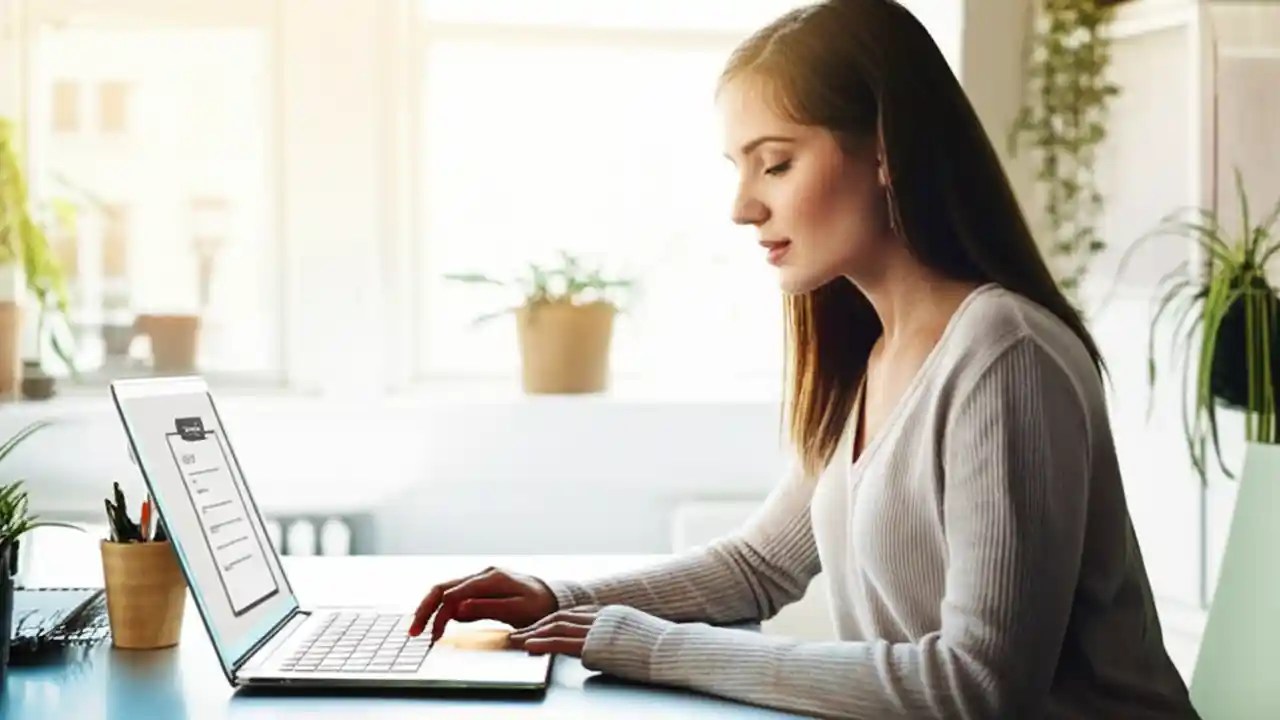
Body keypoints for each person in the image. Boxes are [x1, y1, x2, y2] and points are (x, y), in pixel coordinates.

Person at [408, 1, 1200, 717]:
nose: (743, 206)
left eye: (776, 163)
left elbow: (977, 686)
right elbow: (758, 567)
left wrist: (650, 646)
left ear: (886, 150)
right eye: (740, 169)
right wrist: (556, 599)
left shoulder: (1003, 356)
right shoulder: (868, 353)